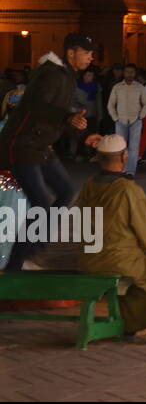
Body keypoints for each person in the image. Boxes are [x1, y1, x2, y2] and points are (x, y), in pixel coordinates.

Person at [0, 33, 102, 270]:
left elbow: (61, 115)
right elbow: (37, 107)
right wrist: (68, 117)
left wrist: (85, 136)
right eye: (86, 53)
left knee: (65, 191)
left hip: (41, 146)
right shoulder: (51, 74)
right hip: (22, 145)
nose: (91, 57)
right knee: (41, 204)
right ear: (71, 52)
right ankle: (16, 264)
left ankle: (33, 250)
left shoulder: (66, 76)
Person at [74, 134, 146, 343]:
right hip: (118, 259)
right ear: (124, 156)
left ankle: (129, 324)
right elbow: (145, 231)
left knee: (145, 277)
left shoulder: (88, 185)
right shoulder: (127, 189)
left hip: (88, 259)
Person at [107, 63, 146, 176]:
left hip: (136, 121)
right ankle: (122, 169)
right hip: (120, 121)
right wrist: (115, 118)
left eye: (132, 72)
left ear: (135, 73)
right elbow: (110, 105)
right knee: (120, 148)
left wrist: (141, 116)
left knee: (133, 148)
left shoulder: (140, 87)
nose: (129, 74)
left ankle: (130, 172)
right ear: (124, 73)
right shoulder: (117, 87)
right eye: (127, 71)